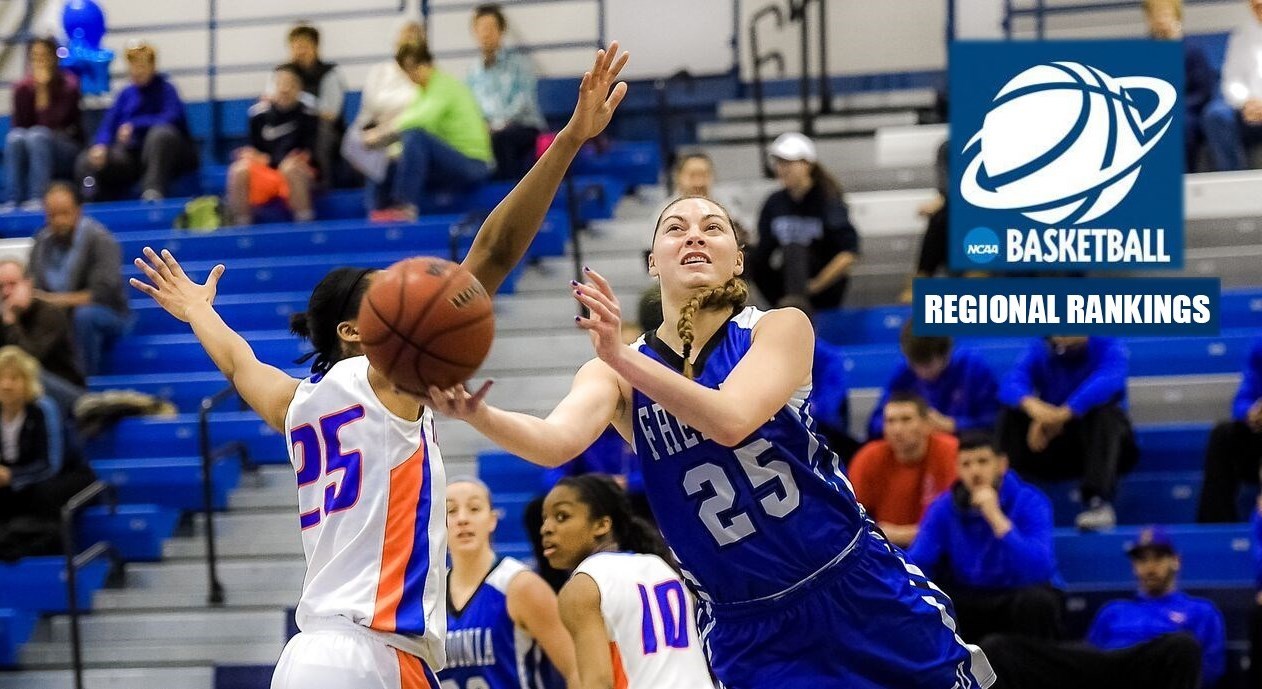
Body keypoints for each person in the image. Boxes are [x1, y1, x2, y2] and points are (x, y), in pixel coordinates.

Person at [127, 43, 627, 689]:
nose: (408, 297)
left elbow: (237, 362)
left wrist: (198, 310)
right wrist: (566, 140)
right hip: (372, 654)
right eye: (387, 298)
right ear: (358, 331)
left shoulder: (299, 401)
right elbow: (496, 251)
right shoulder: (388, 375)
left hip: (312, 654)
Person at [424, 195, 994, 687]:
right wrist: (477, 412)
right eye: (675, 227)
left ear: (737, 259)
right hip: (749, 625)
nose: (694, 234)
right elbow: (554, 442)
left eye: (712, 226)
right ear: (654, 262)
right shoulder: (616, 372)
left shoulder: (778, 327)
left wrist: (621, 356)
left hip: (852, 582)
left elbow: (731, 419)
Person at [981, 527, 1222, 689]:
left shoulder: (1200, 611)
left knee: (1182, 647)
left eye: (1157, 558)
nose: (1149, 567)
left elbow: (1210, 670)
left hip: (1149, 670)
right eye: (1142, 559)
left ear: (1175, 561)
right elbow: (1089, 664)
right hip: (1106, 669)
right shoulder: (1114, 610)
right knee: (999, 648)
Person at [541, 474, 713, 689]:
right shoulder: (661, 566)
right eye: (544, 519)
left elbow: (597, 683)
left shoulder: (583, 586)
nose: (546, 528)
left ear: (602, 525)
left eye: (561, 516)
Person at [908, 432, 1064, 643]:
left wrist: (996, 518)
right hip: (970, 596)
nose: (975, 471)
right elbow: (918, 564)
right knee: (930, 600)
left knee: (1038, 602)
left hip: (1017, 593)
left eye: (983, 461)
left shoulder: (1031, 501)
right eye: (966, 464)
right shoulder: (943, 507)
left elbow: (1039, 569)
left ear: (1001, 464)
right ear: (957, 469)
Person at [442, 477, 579, 689]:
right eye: (451, 511)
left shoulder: (521, 585)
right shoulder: (430, 595)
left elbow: (576, 669)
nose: (462, 519)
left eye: (474, 508)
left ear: (492, 520)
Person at [997, 336, 1138, 531]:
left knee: (1105, 413)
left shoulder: (1108, 344)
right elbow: (1011, 383)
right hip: (1053, 441)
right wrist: (1035, 409)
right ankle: (1005, 500)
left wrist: (1064, 414)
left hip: (1104, 447)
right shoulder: (1040, 349)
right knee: (1011, 414)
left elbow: (1109, 381)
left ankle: (1098, 502)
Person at [365, 41, 494, 219]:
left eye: (415, 67)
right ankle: (376, 213)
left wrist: (381, 133)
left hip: (473, 164)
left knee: (415, 136)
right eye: (407, 70)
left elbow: (418, 122)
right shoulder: (422, 92)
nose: (412, 74)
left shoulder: (444, 86)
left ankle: (405, 206)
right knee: (386, 162)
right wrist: (391, 154)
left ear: (429, 63)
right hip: (449, 163)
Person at [0, 345, 95, 560]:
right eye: (1, 378)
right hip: (20, 479)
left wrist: (12, 476)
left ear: (27, 382)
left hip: (64, 476)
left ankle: (52, 557)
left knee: (41, 494)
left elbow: (51, 464)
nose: (6, 385)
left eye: (13, 379)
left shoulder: (43, 409)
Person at [27, 182, 130, 377]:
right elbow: (33, 286)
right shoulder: (41, 242)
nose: (58, 220)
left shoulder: (101, 240)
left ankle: (86, 382)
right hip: (58, 316)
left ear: (78, 210)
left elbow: (102, 294)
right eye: (52, 215)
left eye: (64, 213)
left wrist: (52, 301)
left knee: (84, 316)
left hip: (109, 314)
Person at [748, 132, 860, 312]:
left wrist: (815, 285)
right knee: (746, 254)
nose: (781, 168)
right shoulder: (774, 203)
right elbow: (763, 252)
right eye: (779, 163)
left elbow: (848, 253)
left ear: (807, 165)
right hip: (786, 283)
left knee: (795, 249)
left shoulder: (827, 200)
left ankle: (796, 308)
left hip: (823, 286)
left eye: (788, 163)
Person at [75, 41, 197, 201]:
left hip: (167, 154)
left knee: (160, 135)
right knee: (88, 158)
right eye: (133, 65)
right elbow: (108, 126)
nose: (136, 70)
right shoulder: (125, 95)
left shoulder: (167, 90)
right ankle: (89, 199)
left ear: (152, 66)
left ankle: (153, 190)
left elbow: (172, 117)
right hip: (130, 157)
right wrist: (101, 146)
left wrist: (136, 125)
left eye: (142, 65)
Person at [848, 392, 957, 547]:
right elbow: (850, 518)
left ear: (927, 424)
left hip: (939, 550)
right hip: (885, 548)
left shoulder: (950, 452)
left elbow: (958, 524)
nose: (897, 429)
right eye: (890, 421)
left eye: (906, 420)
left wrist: (900, 535)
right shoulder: (868, 457)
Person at [867, 325, 999, 440]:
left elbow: (993, 422)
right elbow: (875, 423)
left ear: (946, 354)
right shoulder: (903, 371)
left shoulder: (974, 368)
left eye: (927, 365)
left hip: (964, 449)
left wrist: (953, 425)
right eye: (915, 364)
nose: (920, 371)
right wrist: (902, 425)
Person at [226, 65, 320, 226]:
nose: (285, 89)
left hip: (297, 169)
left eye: (291, 84)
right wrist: (254, 157)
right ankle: (241, 228)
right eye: (280, 83)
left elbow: (307, 153)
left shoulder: (309, 116)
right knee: (239, 169)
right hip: (267, 172)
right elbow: (253, 150)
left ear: (300, 88)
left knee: (291, 167)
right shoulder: (257, 116)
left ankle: (305, 224)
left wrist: (269, 160)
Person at [346, 21, 427, 201]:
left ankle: (402, 205)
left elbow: (423, 111)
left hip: (410, 135)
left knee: (402, 147)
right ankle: (375, 213)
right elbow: (370, 108)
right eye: (405, 35)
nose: (410, 41)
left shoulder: (428, 73)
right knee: (367, 145)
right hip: (379, 132)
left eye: (415, 36)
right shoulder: (379, 71)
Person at [468, 3, 547, 180]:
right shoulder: (473, 72)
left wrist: (497, 125)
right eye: (481, 28)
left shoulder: (519, 64)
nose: (485, 34)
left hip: (523, 126)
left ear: (501, 31)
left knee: (502, 138)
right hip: (488, 131)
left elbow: (523, 102)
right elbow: (471, 107)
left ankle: (508, 195)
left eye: (490, 28)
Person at [5, 36, 83, 212]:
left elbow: (53, 125)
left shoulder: (69, 85)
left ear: (54, 57)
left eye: (44, 55)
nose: (39, 61)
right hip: (33, 143)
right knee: (15, 138)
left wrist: (43, 92)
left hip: (66, 147)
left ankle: (37, 197)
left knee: (38, 135)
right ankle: (12, 199)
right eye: (35, 56)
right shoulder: (22, 88)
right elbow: (19, 125)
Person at [0, 259, 86, 412]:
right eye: (1, 287)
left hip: (67, 390)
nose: (6, 292)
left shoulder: (49, 313)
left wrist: (11, 321)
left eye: (12, 284)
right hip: (26, 388)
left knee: (26, 376)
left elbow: (28, 359)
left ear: (28, 284)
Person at [1144, 0, 1216, 171]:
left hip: (1187, 109)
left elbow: (1202, 90)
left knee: (1181, 125)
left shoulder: (1192, 49)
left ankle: (1184, 176)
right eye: (1156, 14)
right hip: (1154, 109)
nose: (1161, 19)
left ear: (1177, 16)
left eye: (1165, 13)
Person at [272, 24, 347, 186]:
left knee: (320, 130)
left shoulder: (329, 74)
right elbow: (270, 102)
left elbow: (331, 113)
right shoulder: (281, 73)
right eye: (296, 46)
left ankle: (321, 182)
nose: (300, 51)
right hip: (288, 127)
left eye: (304, 46)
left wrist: (300, 100)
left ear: (316, 47)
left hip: (319, 130)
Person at [1196, 337, 1262, 523]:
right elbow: (1242, 400)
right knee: (1224, 435)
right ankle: (1215, 524)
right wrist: (1251, 412)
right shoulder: (1259, 348)